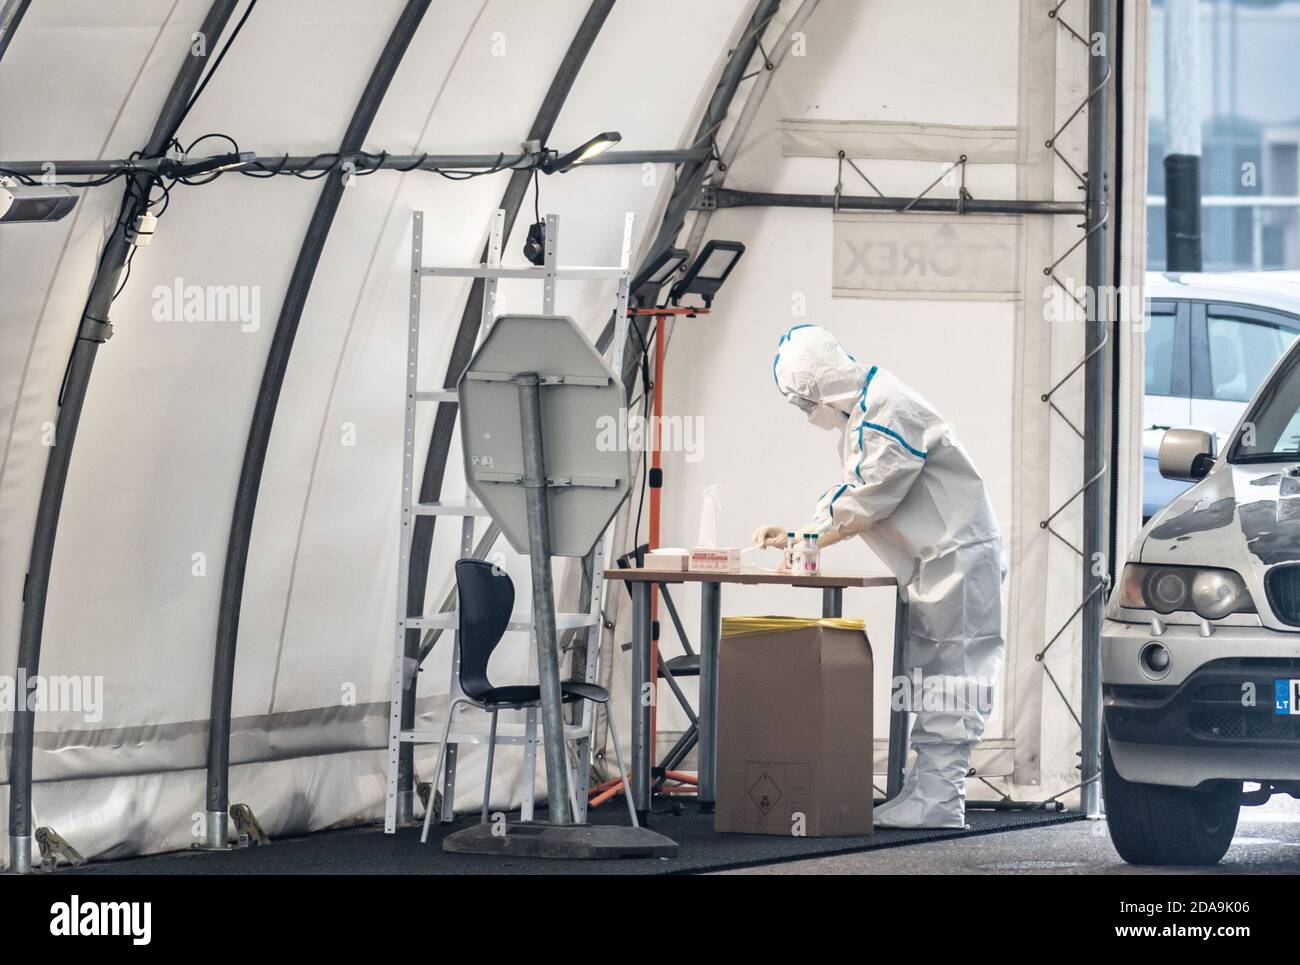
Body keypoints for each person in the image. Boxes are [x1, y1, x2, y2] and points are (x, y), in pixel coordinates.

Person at [753, 324, 1005, 829]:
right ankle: (927, 789)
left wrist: (809, 536)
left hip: (957, 558)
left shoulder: (887, 411)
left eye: (805, 402)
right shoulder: (872, 407)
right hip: (941, 560)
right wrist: (803, 533)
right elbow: (865, 488)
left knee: (954, 678)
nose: (808, 415)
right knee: (935, 672)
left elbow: (870, 494)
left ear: (821, 384)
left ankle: (940, 800)